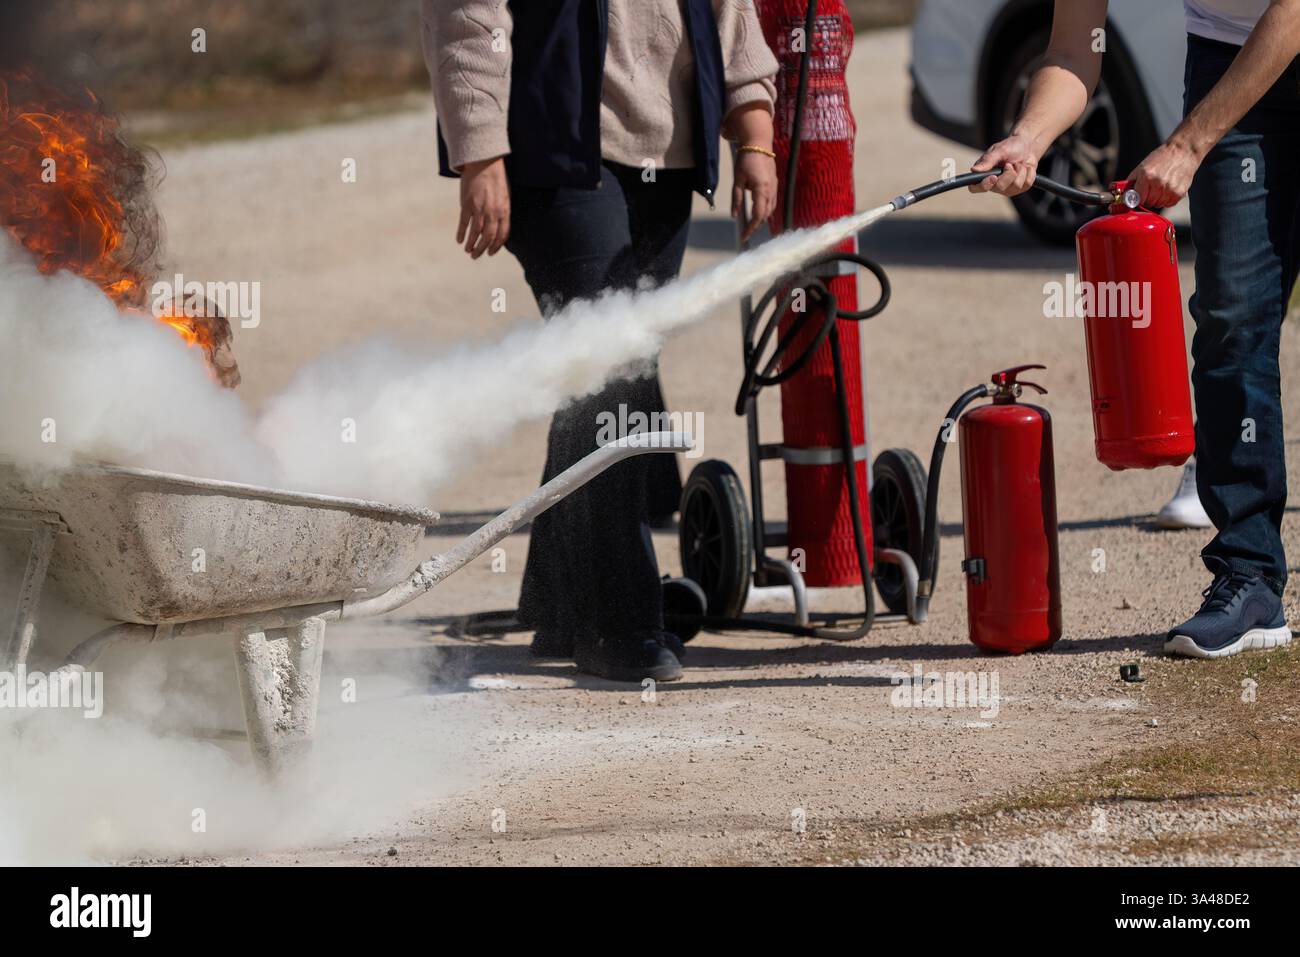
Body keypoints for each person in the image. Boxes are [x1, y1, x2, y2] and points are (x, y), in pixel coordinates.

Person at [421, 0, 778, 680]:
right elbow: (469, 16)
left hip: (666, 168)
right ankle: (618, 625)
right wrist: (481, 152)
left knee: (599, 374)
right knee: (615, 369)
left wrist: (753, 140)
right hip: (554, 162)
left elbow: (734, 19)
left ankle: (559, 604)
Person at [972, 0, 1299, 658]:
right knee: (1233, 316)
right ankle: (1250, 576)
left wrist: (1188, 142)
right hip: (1227, 61)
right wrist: (1030, 138)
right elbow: (1072, 50)